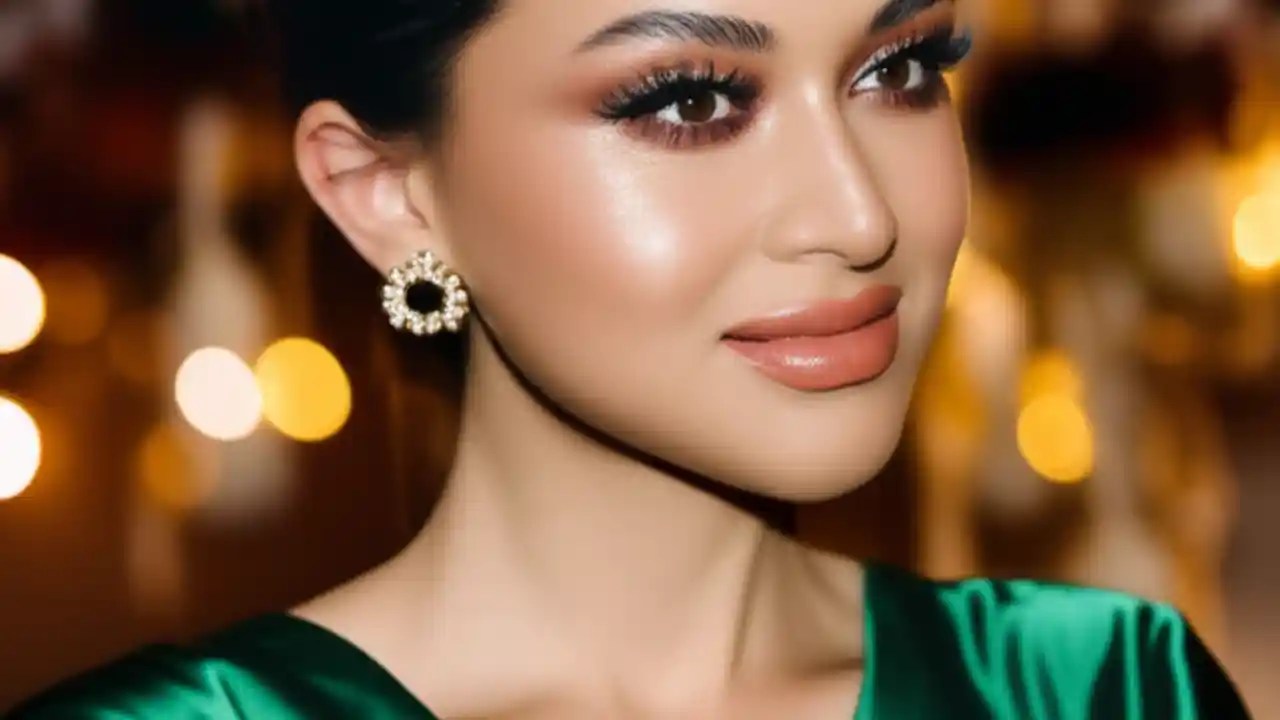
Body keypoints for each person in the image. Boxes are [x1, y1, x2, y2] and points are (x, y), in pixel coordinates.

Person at [7, 0, 1252, 717]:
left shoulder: (1097, 691)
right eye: (692, 100)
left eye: (899, 68)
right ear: (387, 192)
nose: (859, 213)